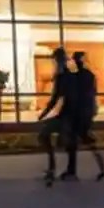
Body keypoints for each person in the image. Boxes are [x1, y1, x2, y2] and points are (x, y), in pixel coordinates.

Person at [62, 52, 104, 181]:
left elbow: (79, 94)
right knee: (76, 142)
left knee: (82, 140)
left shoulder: (78, 76)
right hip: (81, 112)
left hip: (81, 112)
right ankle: (74, 170)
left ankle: (100, 168)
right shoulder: (85, 75)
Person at [37, 47, 72, 184]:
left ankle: (53, 168)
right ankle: (59, 167)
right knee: (53, 137)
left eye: (55, 60)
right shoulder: (68, 74)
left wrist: (44, 114)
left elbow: (55, 98)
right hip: (68, 113)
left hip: (66, 115)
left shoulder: (62, 76)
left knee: (44, 135)